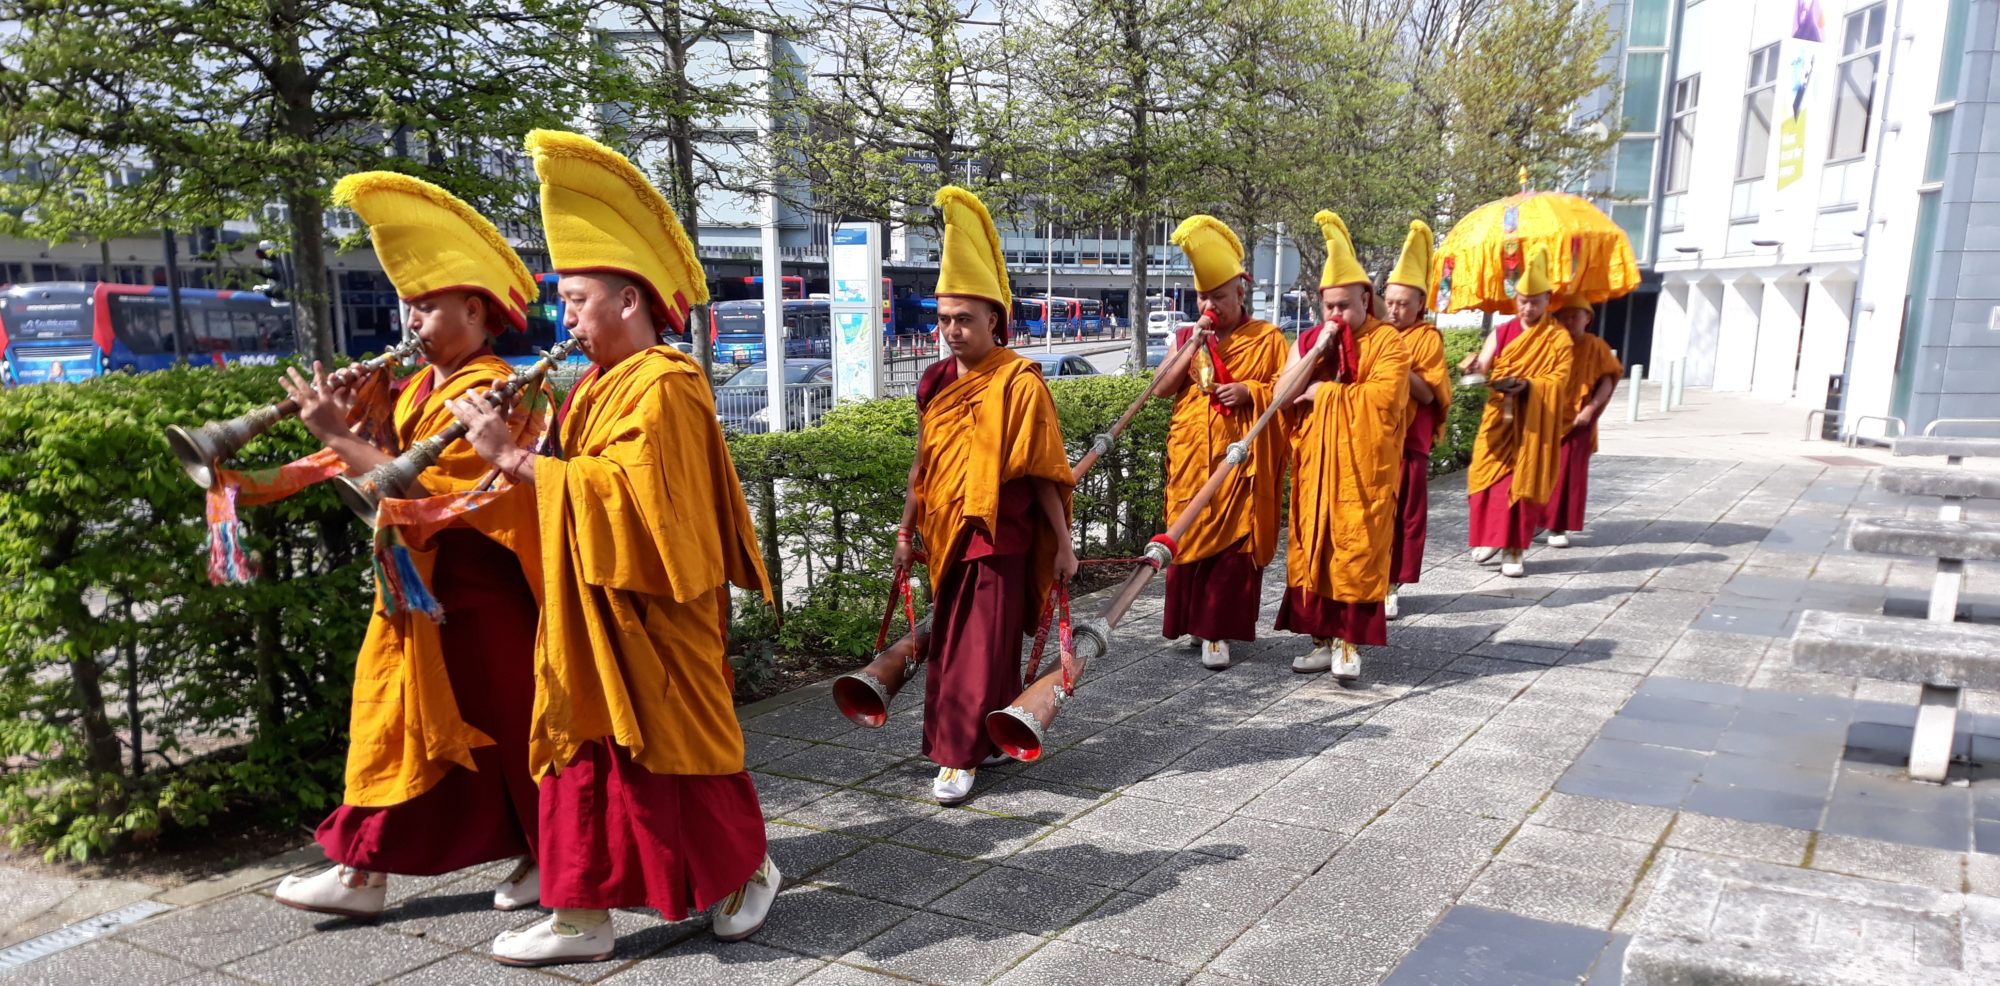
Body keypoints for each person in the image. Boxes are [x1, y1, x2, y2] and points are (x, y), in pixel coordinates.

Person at [458, 129, 777, 966]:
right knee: (580, 755)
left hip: (653, 609)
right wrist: (520, 457)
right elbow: (577, 482)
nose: (565, 322)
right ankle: (580, 916)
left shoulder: (667, 385)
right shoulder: (596, 384)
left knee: (675, 757)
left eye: (577, 301)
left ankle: (747, 874)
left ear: (629, 301)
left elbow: (639, 507)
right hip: (589, 605)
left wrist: (516, 459)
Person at [271, 172, 546, 920]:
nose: (414, 319)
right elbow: (387, 476)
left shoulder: (493, 389)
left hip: (480, 587)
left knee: (501, 732)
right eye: (411, 305)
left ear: (475, 309)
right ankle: (380, 865)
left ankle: (373, 868)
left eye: (428, 306)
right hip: (423, 589)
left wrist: (337, 439)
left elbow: (425, 498)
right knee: (426, 727)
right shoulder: (426, 384)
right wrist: (356, 425)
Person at [892, 186, 1075, 806]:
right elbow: (924, 461)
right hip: (945, 534)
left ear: (995, 319)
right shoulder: (936, 380)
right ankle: (987, 738)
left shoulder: (1020, 382)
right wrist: (903, 530)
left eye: (964, 319)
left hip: (1000, 535)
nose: (951, 331)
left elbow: (1047, 473)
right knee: (962, 642)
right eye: (943, 319)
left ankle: (958, 755)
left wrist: (1066, 545)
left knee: (977, 646)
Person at [1276, 211, 1410, 682]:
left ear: (1365, 299)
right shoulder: (1312, 341)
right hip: (1315, 470)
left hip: (1361, 471)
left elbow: (1384, 398)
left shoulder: (1388, 343)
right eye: (1328, 307)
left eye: (1343, 307)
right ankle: (1319, 639)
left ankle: (1349, 643)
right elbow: (1279, 397)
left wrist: (1324, 393)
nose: (1334, 316)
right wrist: (1313, 361)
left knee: (1353, 550)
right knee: (1314, 548)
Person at [1154, 215, 1288, 669]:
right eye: (1203, 296)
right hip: (1192, 454)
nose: (1211, 304)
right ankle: (1194, 625)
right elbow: (1161, 388)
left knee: (1231, 546)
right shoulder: (1189, 337)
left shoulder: (1267, 338)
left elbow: (1287, 393)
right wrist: (1192, 344)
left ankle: (1217, 632)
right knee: (1187, 533)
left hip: (1239, 463)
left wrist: (1253, 392)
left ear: (1239, 294)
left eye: (1219, 296)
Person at [1463, 244, 1574, 578]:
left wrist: (1530, 385)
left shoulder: (1558, 338)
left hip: (1534, 425)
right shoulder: (1502, 332)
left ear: (1547, 300)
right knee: (1485, 478)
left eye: (1535, 301)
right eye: (1523, 301)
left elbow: (1560, 379)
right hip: (1499, 419)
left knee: (1521, 485)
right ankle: (1488, 538)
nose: (1528, 308)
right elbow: (1483, 366)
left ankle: (1514, 550)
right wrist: (1470, 366)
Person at [1379, 220, 1451, 620]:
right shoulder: (1375, 334)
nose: (1394, 310)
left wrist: (1399, 367)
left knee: (1405, 512)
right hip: (1374, 439)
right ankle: (1371, 577)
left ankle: (1393, 584)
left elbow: (1429, 393)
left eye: (1403, 304)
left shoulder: (1427, 339)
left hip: (1408, 440)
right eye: (1390, 301)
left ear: (1420, 304)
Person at [1544, 295, 1622, 547]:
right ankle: (1534, 520)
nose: (1568, 321)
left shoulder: (1595, 345)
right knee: (1537, 470)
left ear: (1588, 318)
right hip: (1545, 416)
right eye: (1562, 316)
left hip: (1578, 418)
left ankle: (1557, 527)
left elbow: (1607, 380)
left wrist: (1590, 409)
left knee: (1568, 474)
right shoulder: (1549, 344)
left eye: (1574, 316)